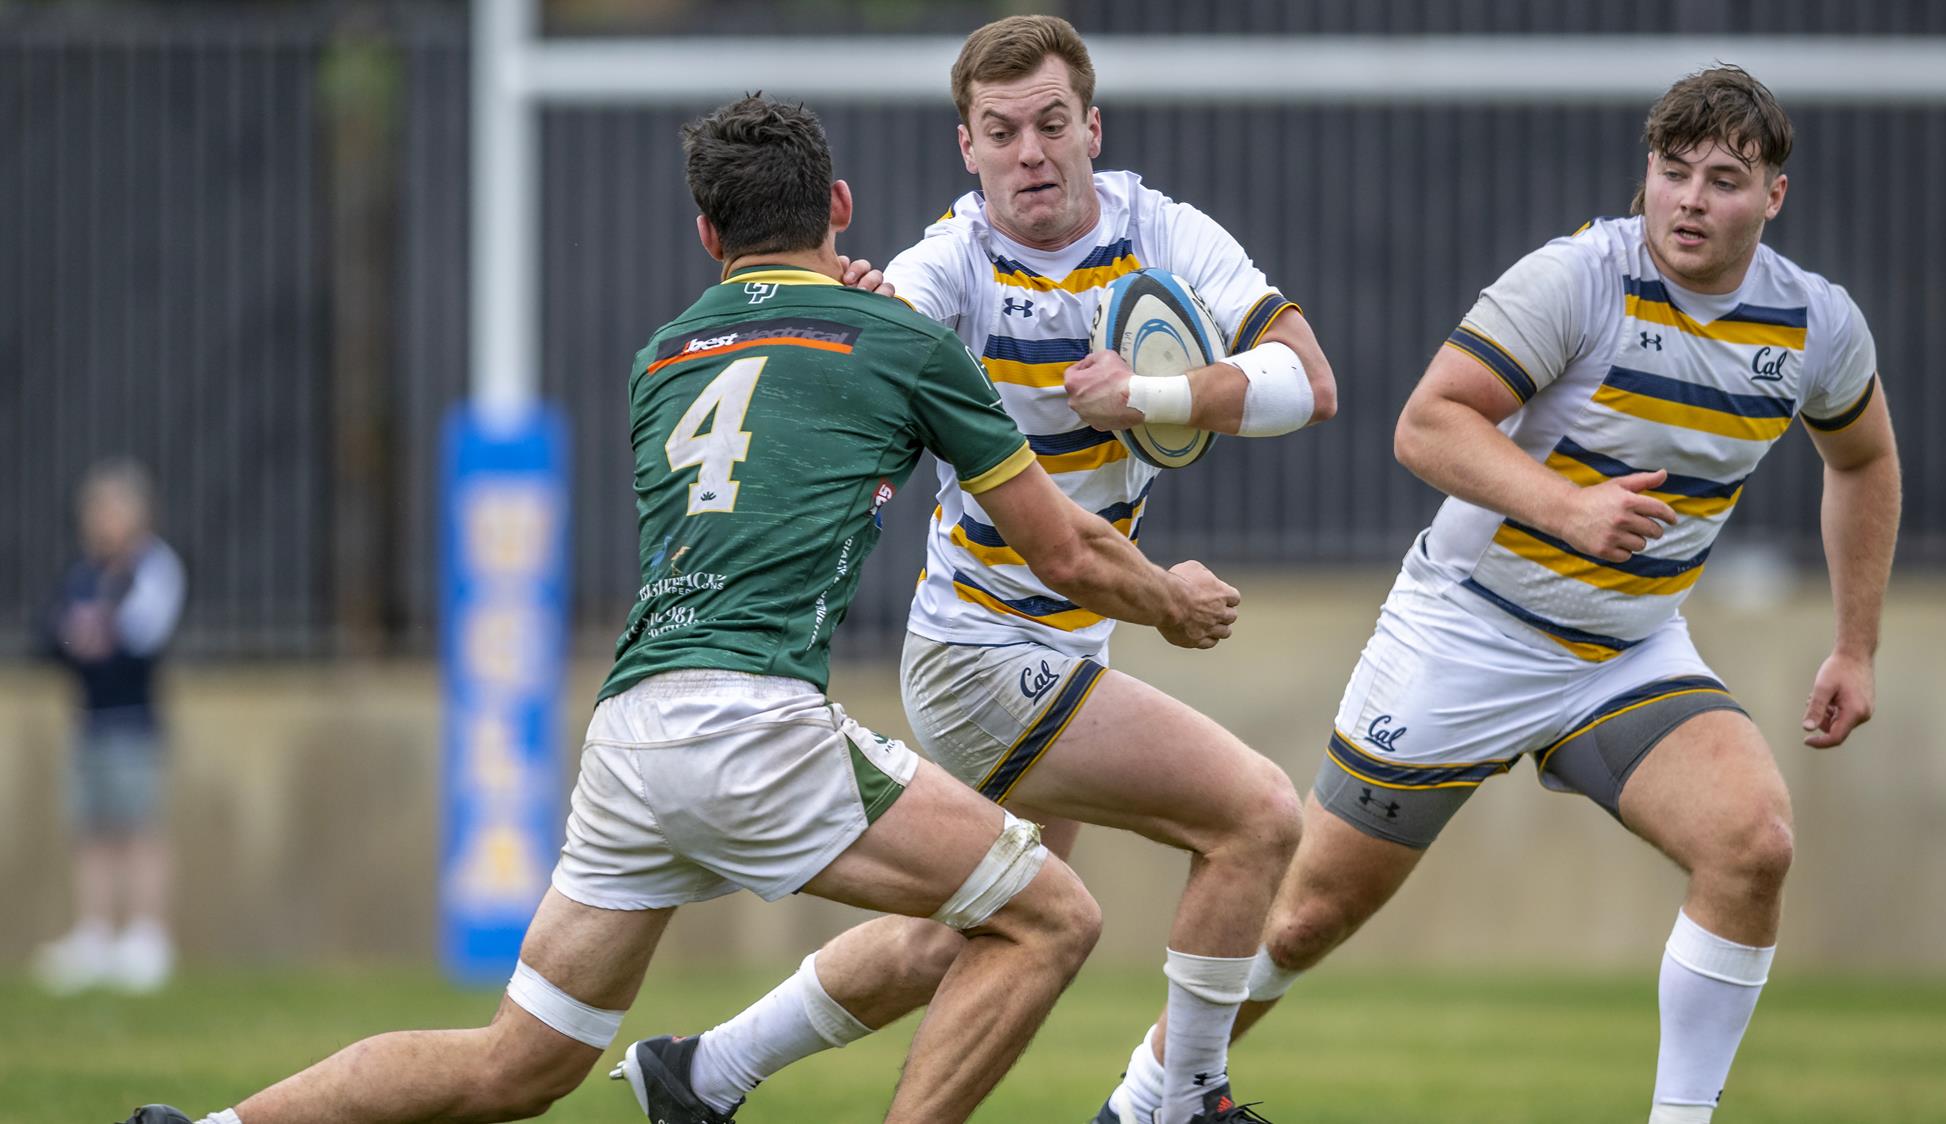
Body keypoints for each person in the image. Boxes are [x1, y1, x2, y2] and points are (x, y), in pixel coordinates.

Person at [120, 94, 1243, 1124]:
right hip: (751, 719)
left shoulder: (660, 358)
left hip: (628, 729)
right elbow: (1057, 547)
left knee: (518, 1061)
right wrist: (1166, 596)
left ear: (707, 235)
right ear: (839, 207)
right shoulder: (905, 343)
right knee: (1052, 914)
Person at [630, 17, 1338, 1124]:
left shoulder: (1163, 229)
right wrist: (849, 303)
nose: (1030, 153)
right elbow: (879, 336)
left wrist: (1153, 396)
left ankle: (700, 1070)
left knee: (962, 931)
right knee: (1253, 815)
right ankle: (1180, 1098)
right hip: (982, 654)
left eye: (1051, 123)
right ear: (966, 148)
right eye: (1000, 131)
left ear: (1090, 127)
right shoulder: (947, 263)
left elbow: (1306, 380)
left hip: (1061, 644)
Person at [1177, 65, 1898, 1124]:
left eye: (1723, 178)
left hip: (1625, 647)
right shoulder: (1578, 279)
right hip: (1469, 628)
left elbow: (1863, 460)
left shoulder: (1812, 324)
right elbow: (1425, 425)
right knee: (1302, 920)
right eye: (1671, 171)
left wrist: (1854, 646)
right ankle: (1151, 1096)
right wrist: (1569, 509)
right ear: (1643, 176)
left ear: (1771, 196)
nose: (1691, 198)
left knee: (1751, 841)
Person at [34, 458, 187, 995]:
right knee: (92, 831)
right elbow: (53, 639)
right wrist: (88, 640)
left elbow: (135, 643)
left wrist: (92, 639)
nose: (101, 521)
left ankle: (146, 935)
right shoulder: (84, 574)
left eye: (111, 510)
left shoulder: (154, 569)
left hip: (133, 722)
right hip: (89, 720)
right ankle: (95, 934)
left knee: (137, 829)